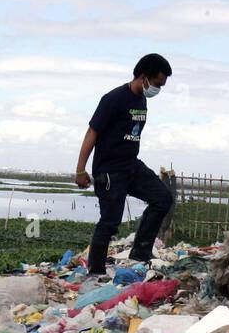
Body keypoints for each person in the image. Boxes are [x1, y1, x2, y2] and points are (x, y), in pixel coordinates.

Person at [75, 53, 175, 275]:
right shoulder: (113, 99)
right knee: (110, 221)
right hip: (110, 170)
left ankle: (140, 251)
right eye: (157, 84)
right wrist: (81, 169)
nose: (158, 89)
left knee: (163, 198)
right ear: (143, 77)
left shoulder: (142, 100)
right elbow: (93, 132)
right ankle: (96, 270)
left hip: (131, 165)